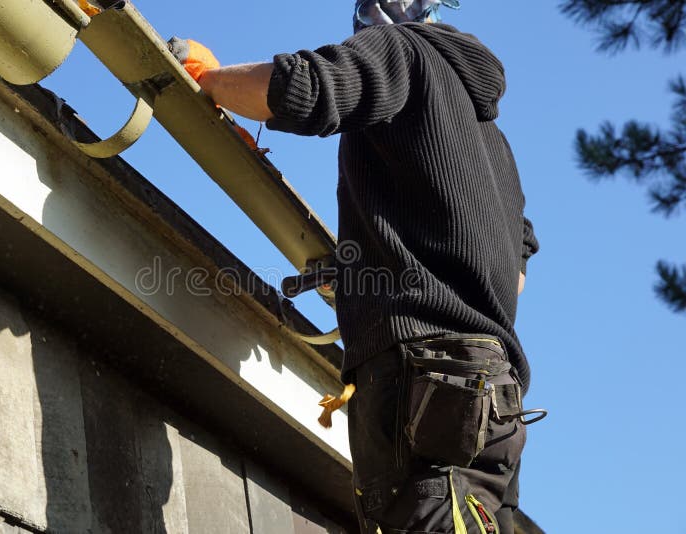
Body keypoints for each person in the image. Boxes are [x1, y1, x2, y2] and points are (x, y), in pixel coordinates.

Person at [170, 1, 541, 532]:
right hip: (497, 397)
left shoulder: (405, 49)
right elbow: (516, 272)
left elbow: (300, 90)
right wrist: (368, 265)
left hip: (424, 375)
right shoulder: (494, 141)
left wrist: (209, 77)